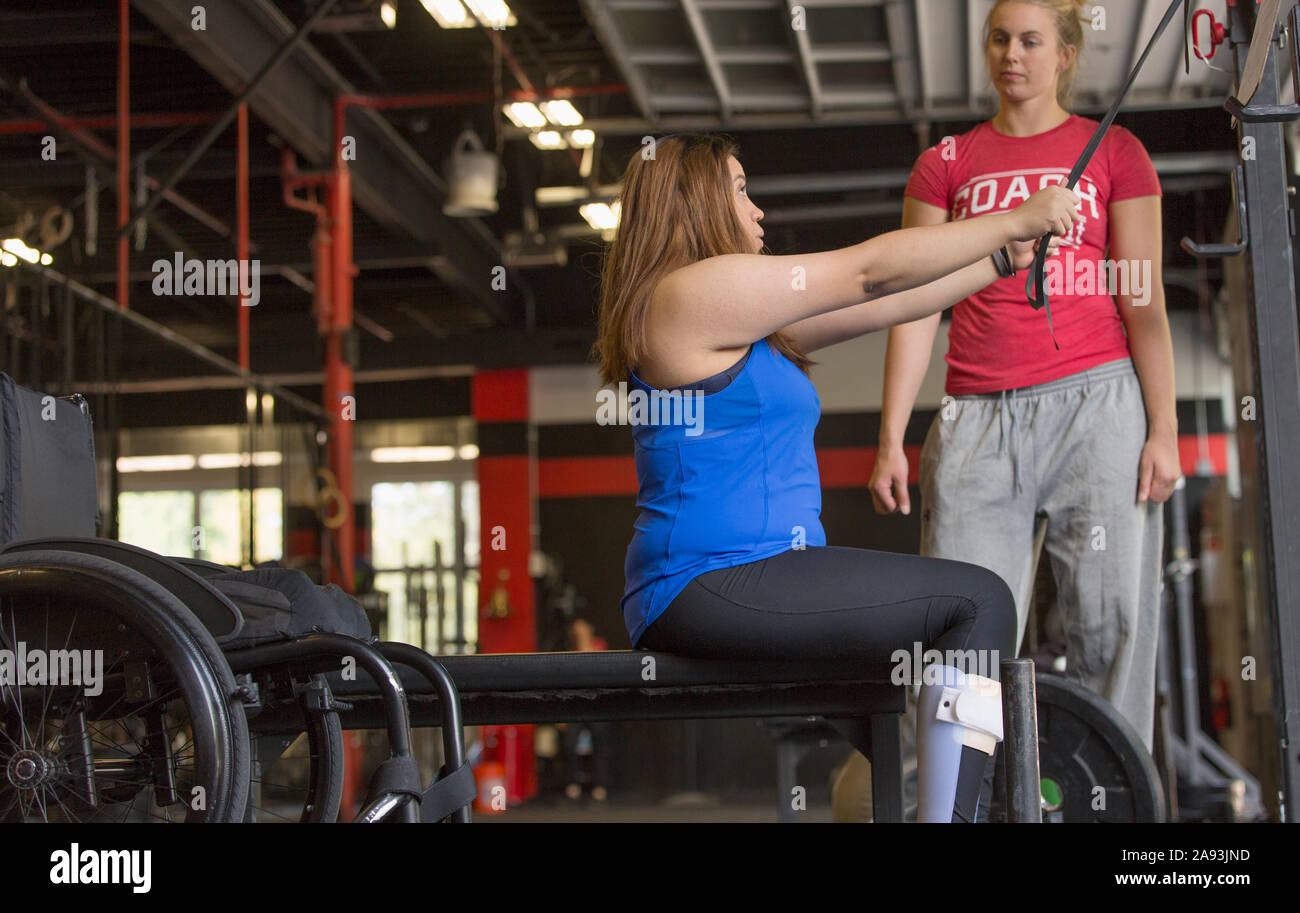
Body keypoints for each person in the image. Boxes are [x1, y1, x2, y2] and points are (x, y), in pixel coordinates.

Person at [592, 132, 1079, 822]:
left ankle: (955, 808)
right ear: (694, 202)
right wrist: (1016, 216)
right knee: (978, 602)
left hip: (748, 575)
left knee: (901, 712)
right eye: (738, 188)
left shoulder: (743, 321)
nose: (756, 210)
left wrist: (1000, 258)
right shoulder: (688, 294)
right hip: (711, 578)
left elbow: (887, 303)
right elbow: (868, 272)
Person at [868, 0, 1180, 753]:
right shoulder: (945, 162)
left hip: (1098, 405)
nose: (1012, 53)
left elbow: (1143, 298)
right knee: (963, 642)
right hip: (978, 417)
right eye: (1000, 38)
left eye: (1031, 40)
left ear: (1065, 53)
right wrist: (889, 436)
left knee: (1110, 625)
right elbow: (914, 302)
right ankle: (957, 797)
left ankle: (1108, 793)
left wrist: (1164, 427)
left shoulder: (1117, 153)